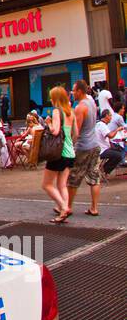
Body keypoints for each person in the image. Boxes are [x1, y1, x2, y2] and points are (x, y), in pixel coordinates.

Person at [65, 79, 102, 217]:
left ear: (79, 91)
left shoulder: (80, 107)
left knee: (74, 177)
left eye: (74, 91)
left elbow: (76, 131)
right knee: (94, 176)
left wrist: (69, 146)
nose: (72, 93)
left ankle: (68, 207)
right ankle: (94, 208)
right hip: (94, 144)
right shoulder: (91, 100)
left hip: (83, 146)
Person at [42, 86, 78, 223]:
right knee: (62, 185)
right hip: (70, 153)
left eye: (51, 97)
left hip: (58, 153)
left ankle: (63, 208)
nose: (50, 99)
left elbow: (55, 131)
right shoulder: (71, 112)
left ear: (56, 98)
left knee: (47, 184)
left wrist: (49, 123)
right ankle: (65, 207)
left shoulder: (57, 111)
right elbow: (76, 134)